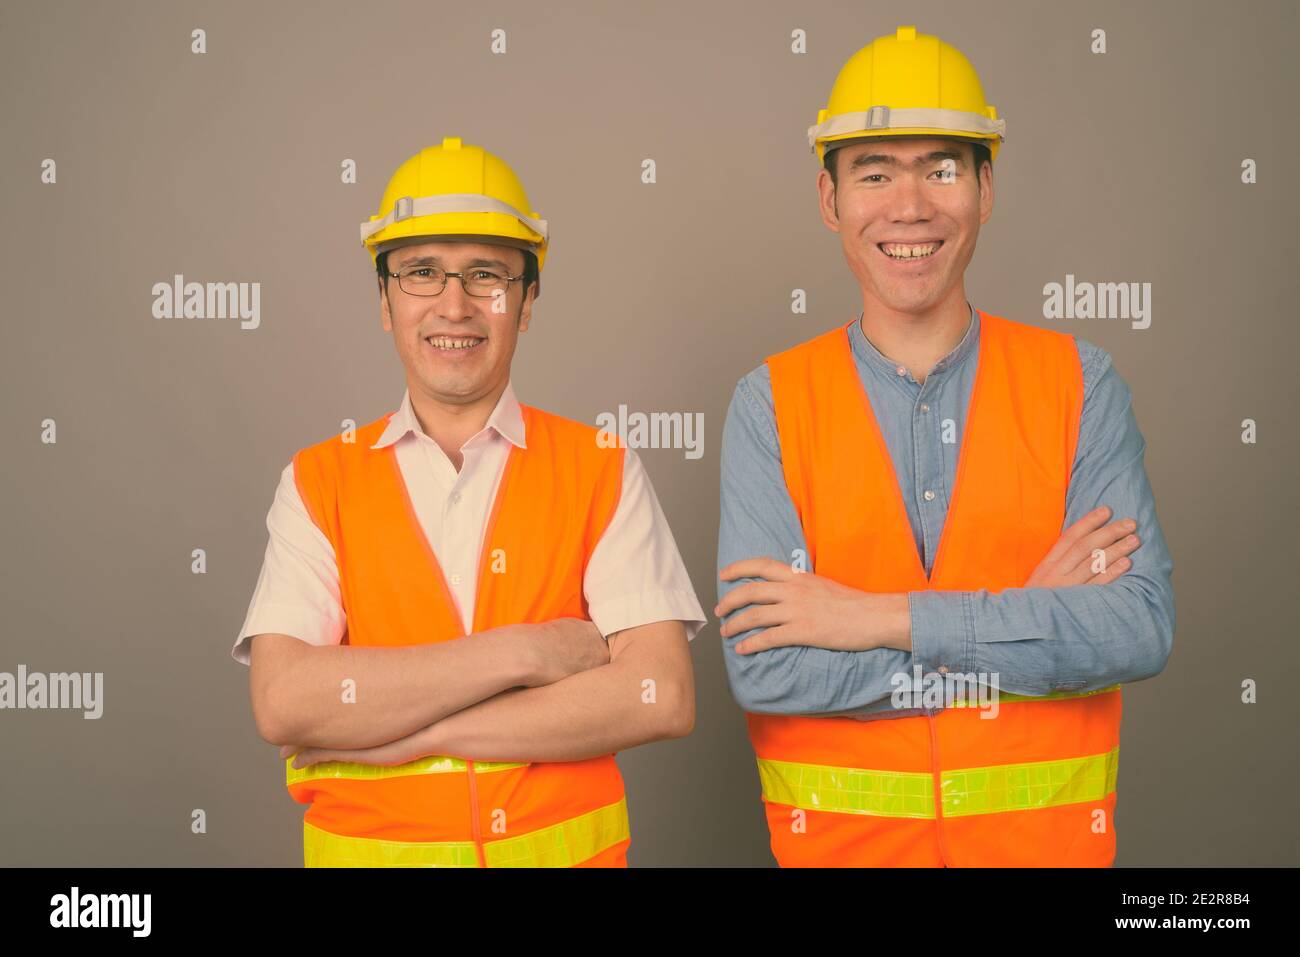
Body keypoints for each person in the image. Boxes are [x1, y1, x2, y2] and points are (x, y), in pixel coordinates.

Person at [715, 26, 1174, 866]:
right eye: (876, 172)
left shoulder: (1082, 382)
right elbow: (769, 673)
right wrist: (1026, 622)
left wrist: (868, 618)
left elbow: (1136, 628)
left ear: (985, 186)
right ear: (830, 199)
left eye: (941, 167)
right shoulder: (769, 405)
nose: (910, 205)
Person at [233, 137, 706, 867]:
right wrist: (526, 651)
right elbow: (287, 701)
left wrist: (413, 730)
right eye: (421, 272)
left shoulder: (601, 467)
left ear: (526, 300)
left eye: (486, 274)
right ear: (384, 300)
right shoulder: (318, 480)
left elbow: (658, 692)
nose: (454, 304)